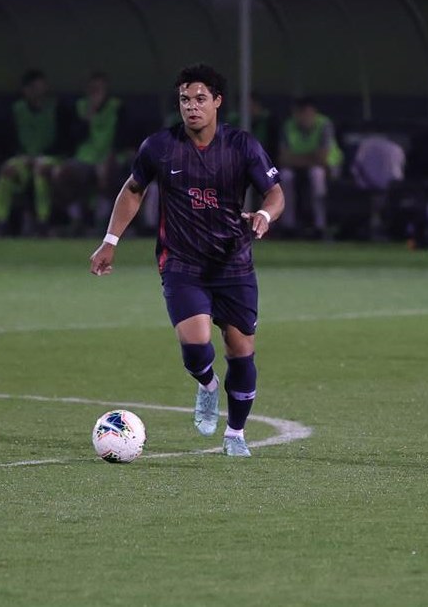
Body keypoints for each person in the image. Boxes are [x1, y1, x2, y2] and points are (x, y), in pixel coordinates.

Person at [89, 64, 285, 458]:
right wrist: (110, 240)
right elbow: (133, 190)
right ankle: (208, 386)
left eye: (200, 99)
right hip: (182, 263)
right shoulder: (159, 147)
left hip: (234, 264)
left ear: (217, 102)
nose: (192, 107)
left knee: (240, 350)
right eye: (184, 99)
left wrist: (264, 215)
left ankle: (235, 434)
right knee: (196, 346)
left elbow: (275, 193)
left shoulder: (242, 146)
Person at [0, 70, 72, 235]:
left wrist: (43, 155)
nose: (36, 91)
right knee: (7, 171)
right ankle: (2, 222)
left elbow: (65, 140)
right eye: (32, 88)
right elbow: (8, 139)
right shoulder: (16, 110)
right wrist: (20, 155)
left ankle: (43, 221)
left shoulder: (56, 108)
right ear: (25, 90)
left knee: (40, 170)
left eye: (39, 87)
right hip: (24, 158)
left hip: (50, 158)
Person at [54, 72, 124, 234]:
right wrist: (88, 117)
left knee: (108, 175)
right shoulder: (80, 107)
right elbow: (73, 137)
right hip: (84, 158)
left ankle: (101, 223)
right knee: (62, 175)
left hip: (110, 156)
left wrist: (109, 158)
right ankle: (76, 220)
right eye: (93, 89)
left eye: (99, 89)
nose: (96, 93)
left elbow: (123, 138)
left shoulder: (117, 107)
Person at [278, 97, 343, 238]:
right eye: (302, 113)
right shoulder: (289, 126)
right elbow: (283, 158)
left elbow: (322, 158)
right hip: (297, 168)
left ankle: (320, 226)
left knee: (316, 175)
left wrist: (298, 159)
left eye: (309, 113)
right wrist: (309, 159)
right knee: (285, 176)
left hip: (326, 168)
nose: (305, 117)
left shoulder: (324, 124)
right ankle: (288, 226)